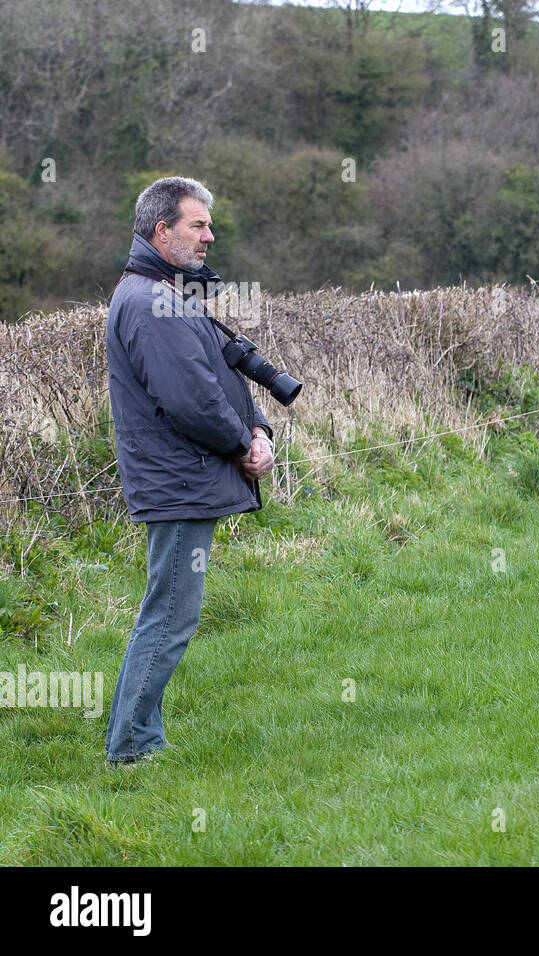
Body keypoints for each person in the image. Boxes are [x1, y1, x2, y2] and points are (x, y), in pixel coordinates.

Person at [104, 176, 275, 765]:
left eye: (209, 224)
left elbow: (217, 374)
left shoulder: (169, 294)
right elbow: (192, 400)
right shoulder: (151, 302)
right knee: (171, 614)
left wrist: (258, 429)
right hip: (177, 484)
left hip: (184, 480)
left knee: (171, 609)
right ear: (162, 231)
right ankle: (132, 747)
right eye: (197, 225)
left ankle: (137, 737)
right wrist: (241, 448)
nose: (210, 236)